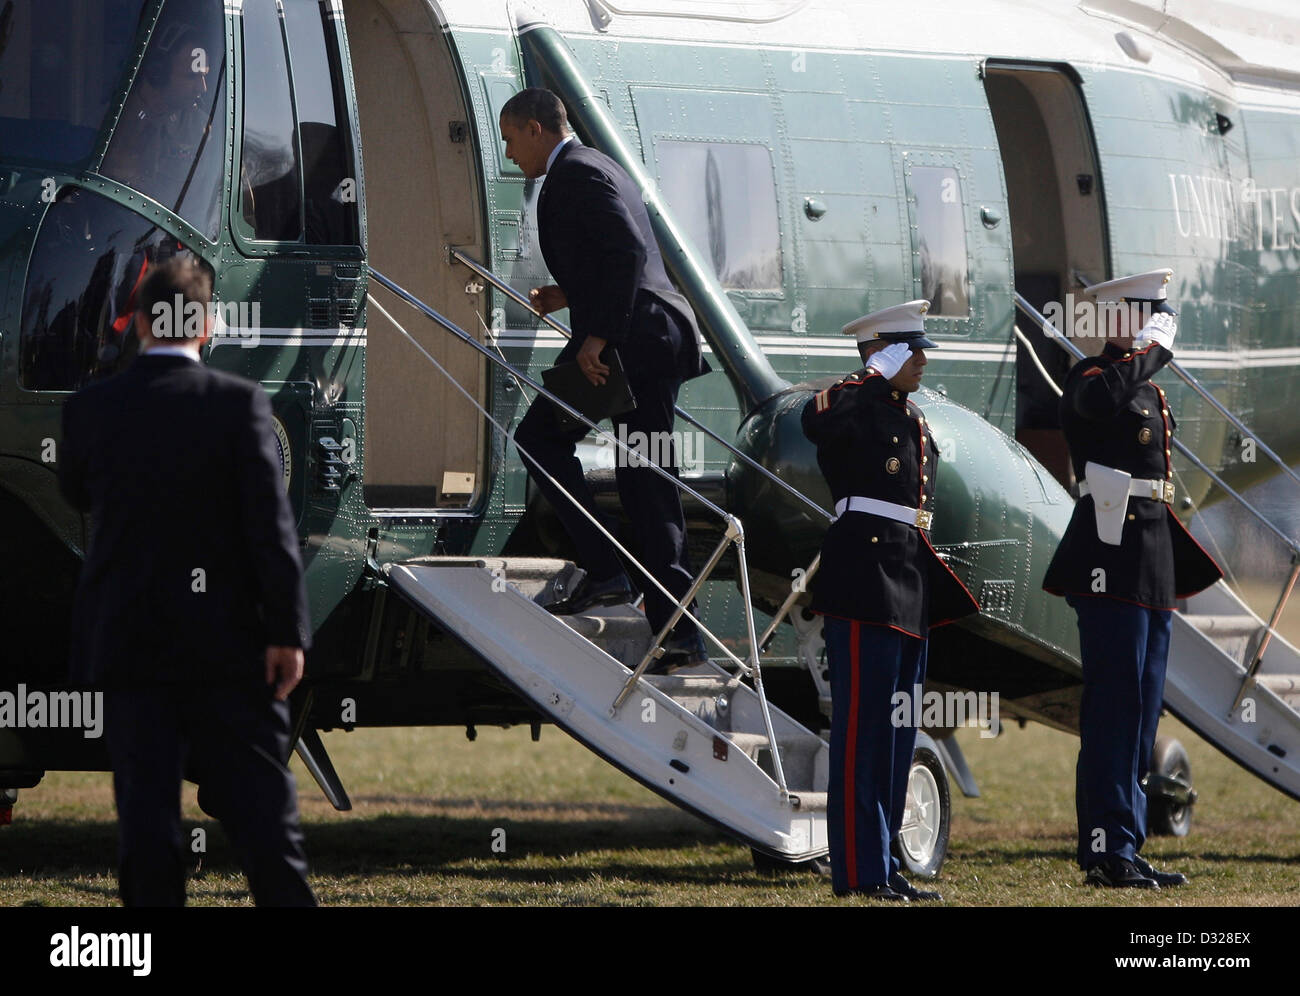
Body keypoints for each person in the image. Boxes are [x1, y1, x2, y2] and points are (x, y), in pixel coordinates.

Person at [58, 255, 317, 907]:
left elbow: (76, 493)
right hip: (228, 644)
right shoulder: (241, 406)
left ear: (139, 322)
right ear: (208, 326)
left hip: (131, 640)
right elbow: (271, 532)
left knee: (147, 827)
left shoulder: (92, 408)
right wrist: (288, 633)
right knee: (264, 821)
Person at [498, 88, 711, 668]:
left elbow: (623, 256)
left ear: (537, 129)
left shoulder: (578, 174)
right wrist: (569, 294)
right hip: (632, 338)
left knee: (634, 476)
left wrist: (597, 336)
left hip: (631, 343)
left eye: (511, 138)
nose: (510, 153)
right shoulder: (593, 166)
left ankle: (656, 612)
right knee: (632, 475)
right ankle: (625, 584)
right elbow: (623, 258)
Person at [1043, 268, 1222, 889]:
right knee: (1114, 708)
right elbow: (1097, 403)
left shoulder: (1146, 388)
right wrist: (1148, 350)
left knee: (1143, 709)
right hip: (1109, 554)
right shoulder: (1092, 377)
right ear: (1122, 317)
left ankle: (1128, 841)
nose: (1156, 324)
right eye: (1147, 313)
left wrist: (1147, 356)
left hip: (1150, 556)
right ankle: (1104, 845)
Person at [801, 300, 979, 900]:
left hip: (908, 579)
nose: (923, 361)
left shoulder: (909, 417)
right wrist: (871, 370)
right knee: (863, 734)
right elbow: (814, 419)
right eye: (912, 350)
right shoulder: (850, 404)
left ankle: (884, 862)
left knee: (898, 731)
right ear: (885, 352)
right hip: (862, 579)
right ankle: (859, 871)